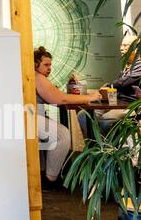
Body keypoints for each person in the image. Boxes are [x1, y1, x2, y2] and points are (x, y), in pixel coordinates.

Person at [34, 46, 105, 187]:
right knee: (62, 135)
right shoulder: (38, 77)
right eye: (46, 65)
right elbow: (62, 100)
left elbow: (56, 98)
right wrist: (89, 97)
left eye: (50, 65)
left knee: (55, 132)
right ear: (36, 64)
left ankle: (48, 175)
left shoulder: (36, 76)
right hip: (28, 116)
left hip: (29, 115)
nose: (49, 68)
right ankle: (50, 180)